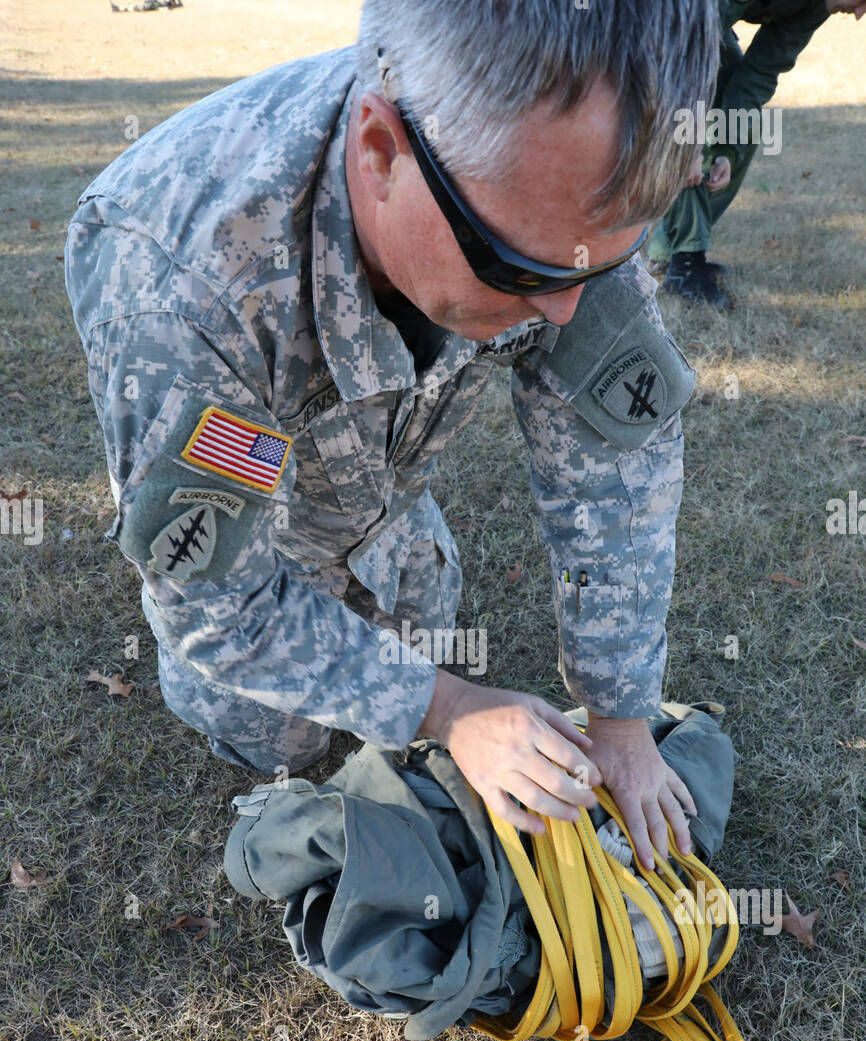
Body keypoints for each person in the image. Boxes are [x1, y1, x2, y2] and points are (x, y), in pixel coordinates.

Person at [65, 0, 717, 874]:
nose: (567, 308)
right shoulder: (185, 282)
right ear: (380, 154)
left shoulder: (549, 181)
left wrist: (622, 715)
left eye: (600, 263)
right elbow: (216, 605)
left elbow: (618, 461)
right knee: (277, 737)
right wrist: (449, 708)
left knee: (418, 618)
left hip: (390, 519)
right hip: (265, 543)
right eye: (522, 269)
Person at [648, 0, 866, 308]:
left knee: (742, 124)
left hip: (698, 28)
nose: (860, 14)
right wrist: (687, 144)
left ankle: (670, 253)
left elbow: (759, 73)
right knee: (694, 118)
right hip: (667, 21)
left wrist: (727, 150)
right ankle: (686, 265)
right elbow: (682, 49)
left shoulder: (819, 6)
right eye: (862, 2)